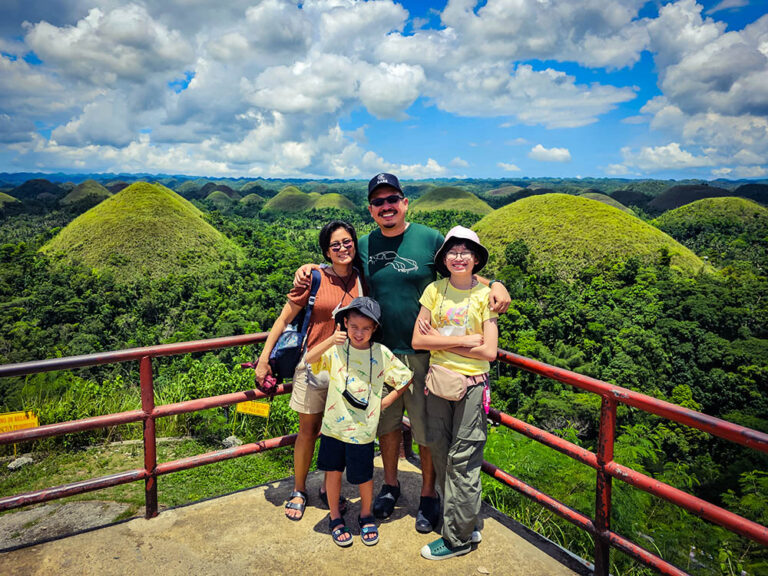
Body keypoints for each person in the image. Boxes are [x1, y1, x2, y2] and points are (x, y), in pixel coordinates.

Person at [294, 173, 511, 534]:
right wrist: (312, 268)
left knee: (425, 429)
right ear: (371, 209)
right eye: (378, 202)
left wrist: (496, 283)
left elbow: (462, 268)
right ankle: (391, 485)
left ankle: (428, 495)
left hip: (426, 355)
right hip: (377, 352)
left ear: (405, 202)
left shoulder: (428, 239)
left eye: (392, 198)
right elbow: (339, 268)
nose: (386, 206)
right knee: (387, 426)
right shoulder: (363, 244)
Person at [255, 220, 365, 521]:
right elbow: (283, 319)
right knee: (307, 432)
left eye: (347, 242)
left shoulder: (360, 277)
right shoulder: (313, 277)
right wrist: (264, 358)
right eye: (335, 245)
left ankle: (329, 489)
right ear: (326, 252)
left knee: (337, 434)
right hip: (312, 366)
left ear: (355, 243)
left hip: (346, 369)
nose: (343, 248)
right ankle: (300, 489)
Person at [411, 226, 498, 560]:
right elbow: (420, 341)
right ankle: (464, 523)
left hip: (471, 387)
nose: (459, 256)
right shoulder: (434, 291)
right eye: (452, 251)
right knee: (442, 452)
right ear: (444, 258)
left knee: (463, 460)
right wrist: (463, 342)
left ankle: (456, 540)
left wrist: (441, 342)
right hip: (438, 382)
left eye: (465, 251)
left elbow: (489, 351)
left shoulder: (485, 296)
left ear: (476, 259)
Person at [306, 297, 412, 547]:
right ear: (344, 323)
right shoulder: (336, 350)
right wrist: (332, 339)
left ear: (375, 328)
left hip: (363, 431)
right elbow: (309, 360)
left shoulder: (381, 353)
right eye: (354, 326)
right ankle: (335, 517)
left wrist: (385, 402)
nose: (359, 333)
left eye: (366, 328)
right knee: (332, 473)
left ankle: (366, 515)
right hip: (333, 427)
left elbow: (405, 379)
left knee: (364, 476)